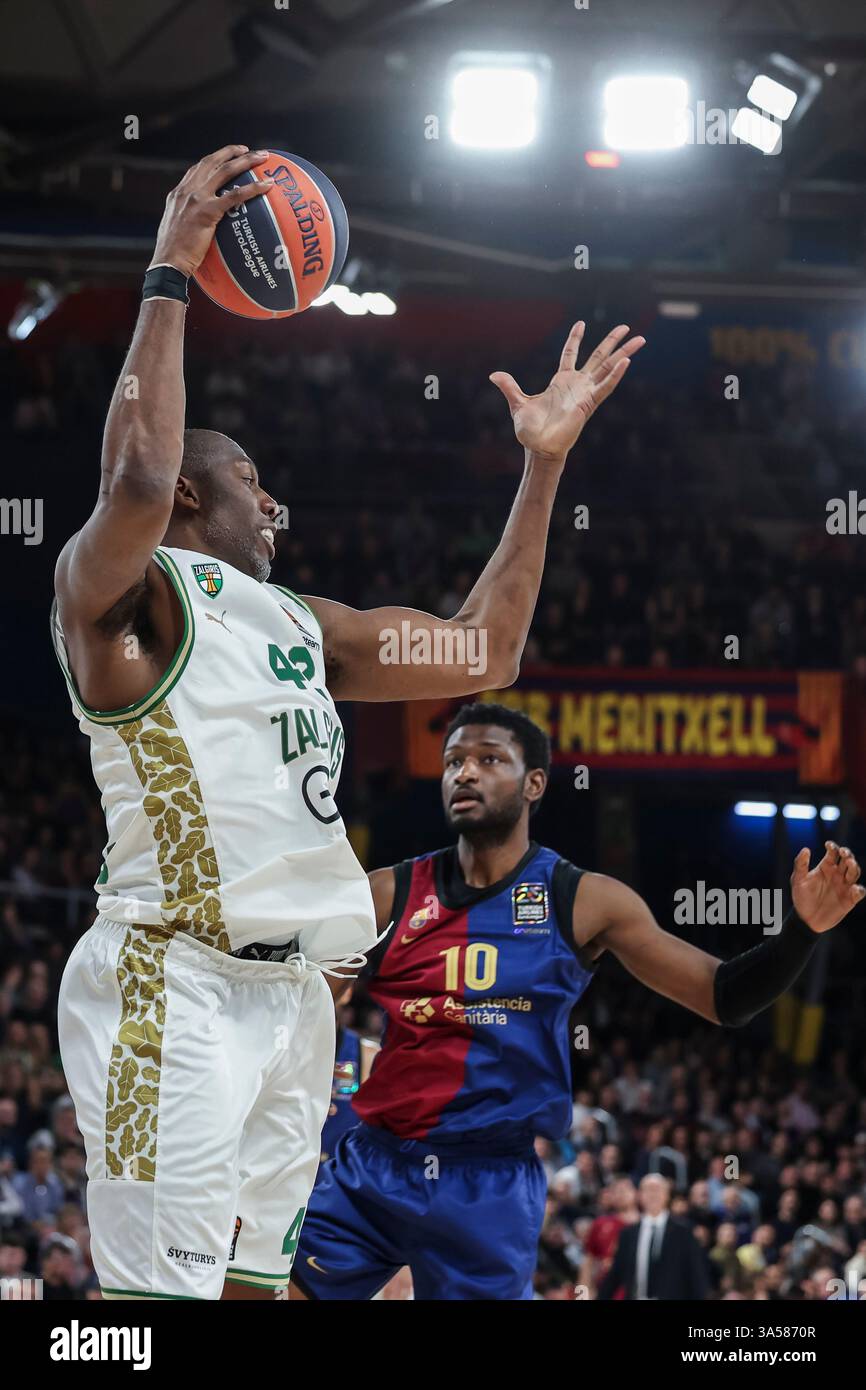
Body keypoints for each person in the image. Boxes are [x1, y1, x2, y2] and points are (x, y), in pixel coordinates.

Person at [51, 147, 644, 1302]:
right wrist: (173, 267)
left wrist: (541, 466)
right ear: (188, 493)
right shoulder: (122, 604)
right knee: (145, 1318)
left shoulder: (303, 624)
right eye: (247, 481)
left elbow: (484, 650)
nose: (273, 503)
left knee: (255, 1291)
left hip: (295, 1001)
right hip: (172, 986)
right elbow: (130, 481)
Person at [290, 703, 864, 1300]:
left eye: (489, 759)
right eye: (454, 760)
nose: (465, 773)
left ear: (534, 782)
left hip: (486, 1186)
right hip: (372, 1164)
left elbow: (724, 997)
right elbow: (306, 1007)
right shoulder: (389, 892)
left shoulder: (583, 901)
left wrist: (802, 930)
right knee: (257, 1289)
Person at [598, 1174, 709, 1300]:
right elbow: (615, 1276)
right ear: (639, 1196)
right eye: (647, 1189)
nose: (652, 1194)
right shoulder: (628, 1234)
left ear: (667, 1195)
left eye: (657, 1189)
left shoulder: (684, 1232)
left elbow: (697, 1276)